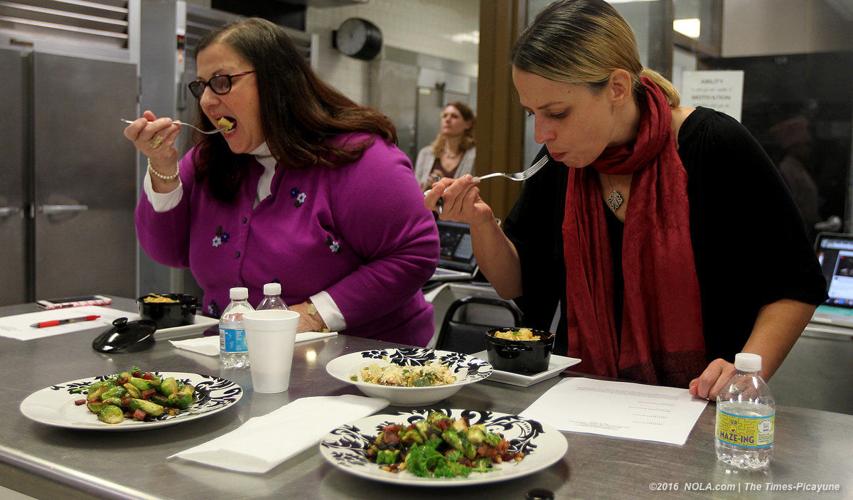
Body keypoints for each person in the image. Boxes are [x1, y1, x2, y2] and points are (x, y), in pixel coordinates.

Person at [424, 0, 826, 398]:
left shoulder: (713, 145)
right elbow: (514, 282)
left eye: (557, 113)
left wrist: (745, 372)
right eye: (532, 114)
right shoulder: (560, 163)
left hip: (701, 403)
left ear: (617, 87)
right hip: (585, 398)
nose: (541, 134)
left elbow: (796, 286)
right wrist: (481, 221)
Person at [124, 18, 439, 346]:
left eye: (221, 82)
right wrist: (162, 166)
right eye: (202, 86)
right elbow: (167, 252)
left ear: (275, 80)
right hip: (241, 354)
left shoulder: (360, 159)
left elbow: (414, 253)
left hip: (361, 359)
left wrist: (312, 315)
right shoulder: (209, 159)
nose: (206, 101)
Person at [414, 102, 477, 190]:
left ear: (468, 124)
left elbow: (476, 190)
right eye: (444, 116)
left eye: (454, 116)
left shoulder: (474, 156)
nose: (447, 120)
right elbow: (415, 190)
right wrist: (428, 186)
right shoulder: (425, 153)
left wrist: (445, 185)